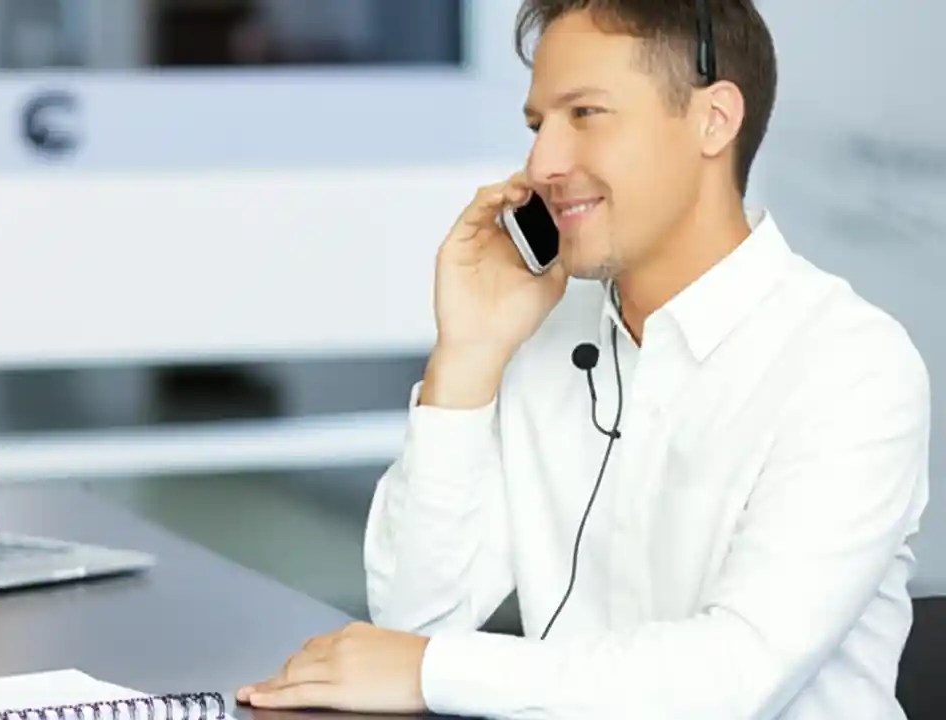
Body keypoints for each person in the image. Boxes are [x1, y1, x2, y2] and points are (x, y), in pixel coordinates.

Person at [236, 0, 931, 718]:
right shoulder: (544, 336)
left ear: (714, 121)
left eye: (586, 114)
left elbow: (731, 679)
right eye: (538, 125)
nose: (543, 163)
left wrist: (432, 668)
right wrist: (466, 358)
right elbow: (413, 623)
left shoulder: (852, 367)